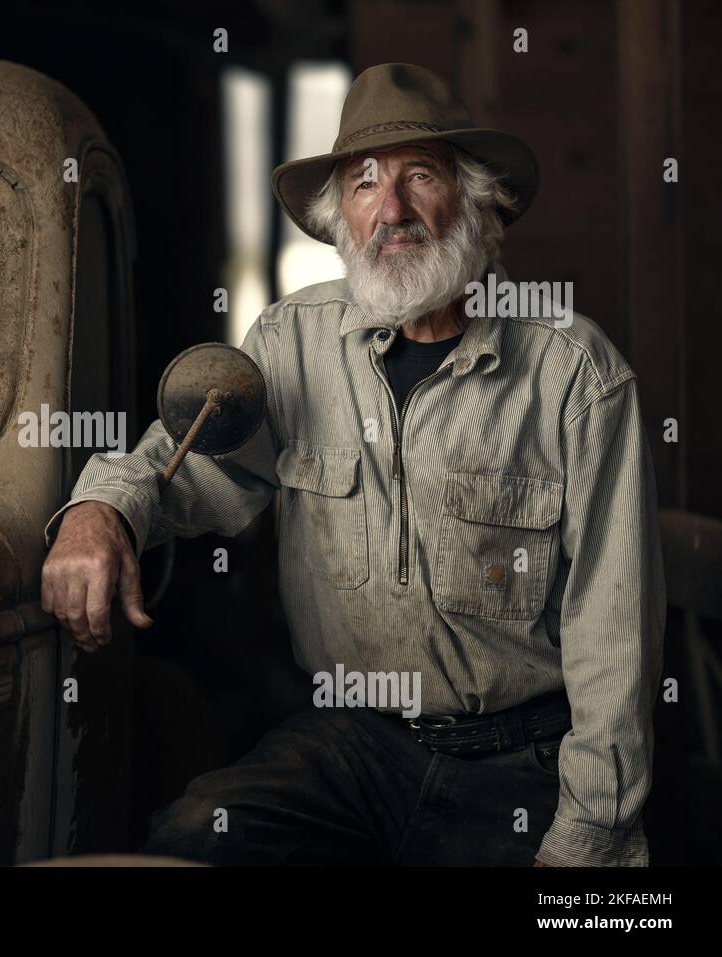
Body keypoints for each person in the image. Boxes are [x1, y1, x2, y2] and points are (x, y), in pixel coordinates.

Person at [39, 63, 665, 867]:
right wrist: (105, 510)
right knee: (192, 842)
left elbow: (617, 644)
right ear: (342, 216)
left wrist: (589, 838)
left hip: (524, 763)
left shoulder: (574, 374)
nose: (392, 209)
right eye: (365, 184)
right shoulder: (291, 341)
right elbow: (190, 463)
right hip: (353, 746)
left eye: (421, 177)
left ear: (477, 199)